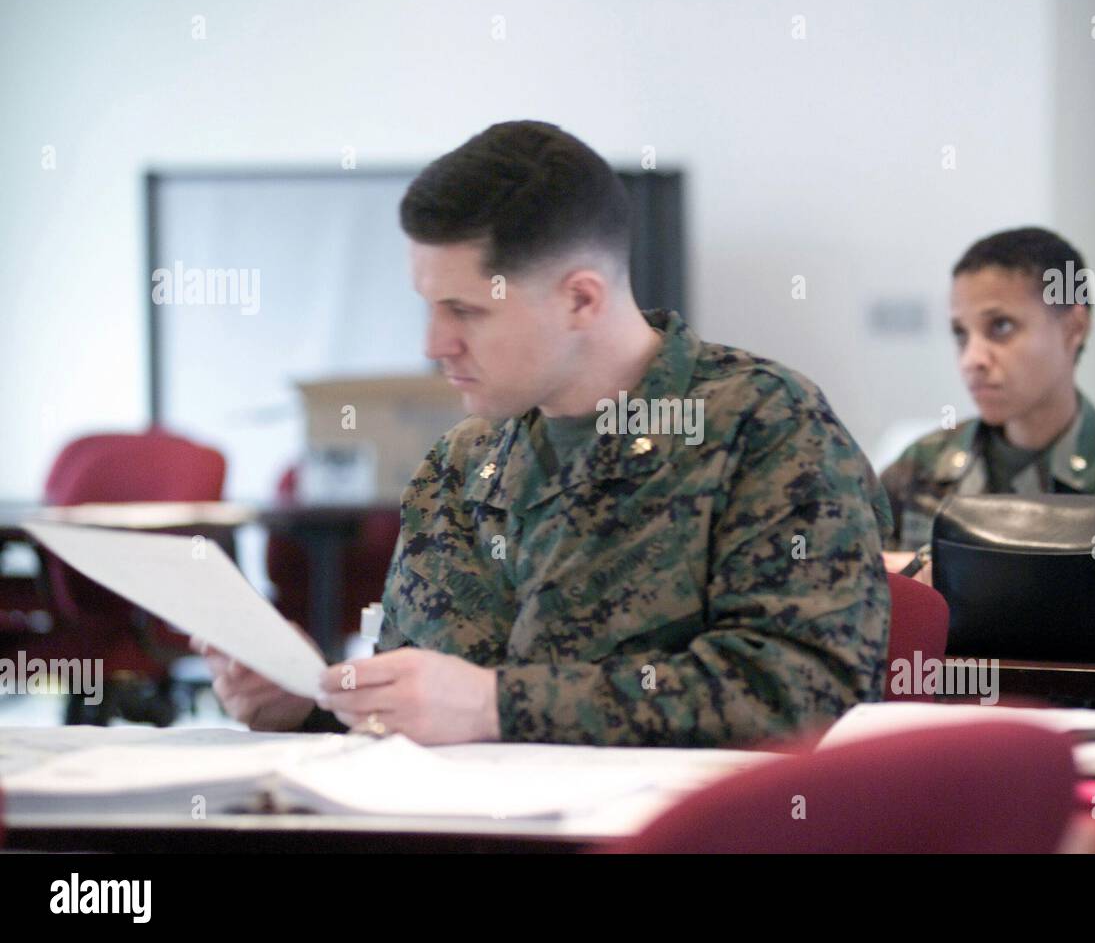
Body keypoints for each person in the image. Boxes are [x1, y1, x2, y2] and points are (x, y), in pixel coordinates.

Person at [199, 120, 891, 747]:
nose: (435, 344)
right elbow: (420, 715)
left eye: (465, 311)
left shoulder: (765, 426)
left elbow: (805, 693)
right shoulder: (461, 465)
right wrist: (312, 705)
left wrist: (497, 707)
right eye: (430, 307)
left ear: (581, 299)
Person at [880, 226, 1095, 583]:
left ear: (1073, 329)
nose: (972, 358)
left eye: (1001, 326)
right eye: (960, 334)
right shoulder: (921, 468)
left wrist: (948, 573)